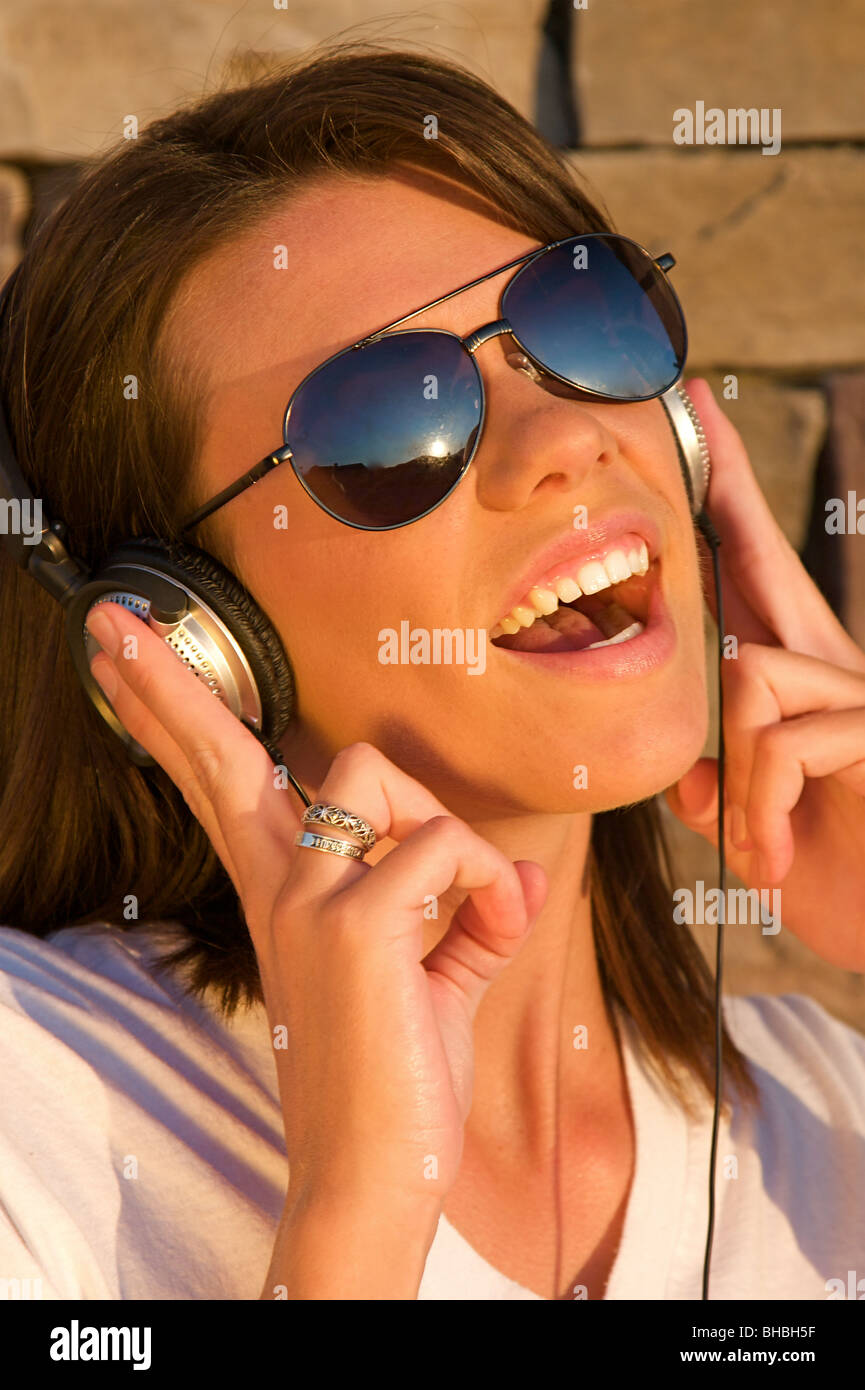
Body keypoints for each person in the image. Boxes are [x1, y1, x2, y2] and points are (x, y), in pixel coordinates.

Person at [0, 43, 863, 1303]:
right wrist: (358, 1207)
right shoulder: (38, 1111)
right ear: (191, 637)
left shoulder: (821, 1100)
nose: (567, 435)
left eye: (576, 321)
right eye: (389, 420)